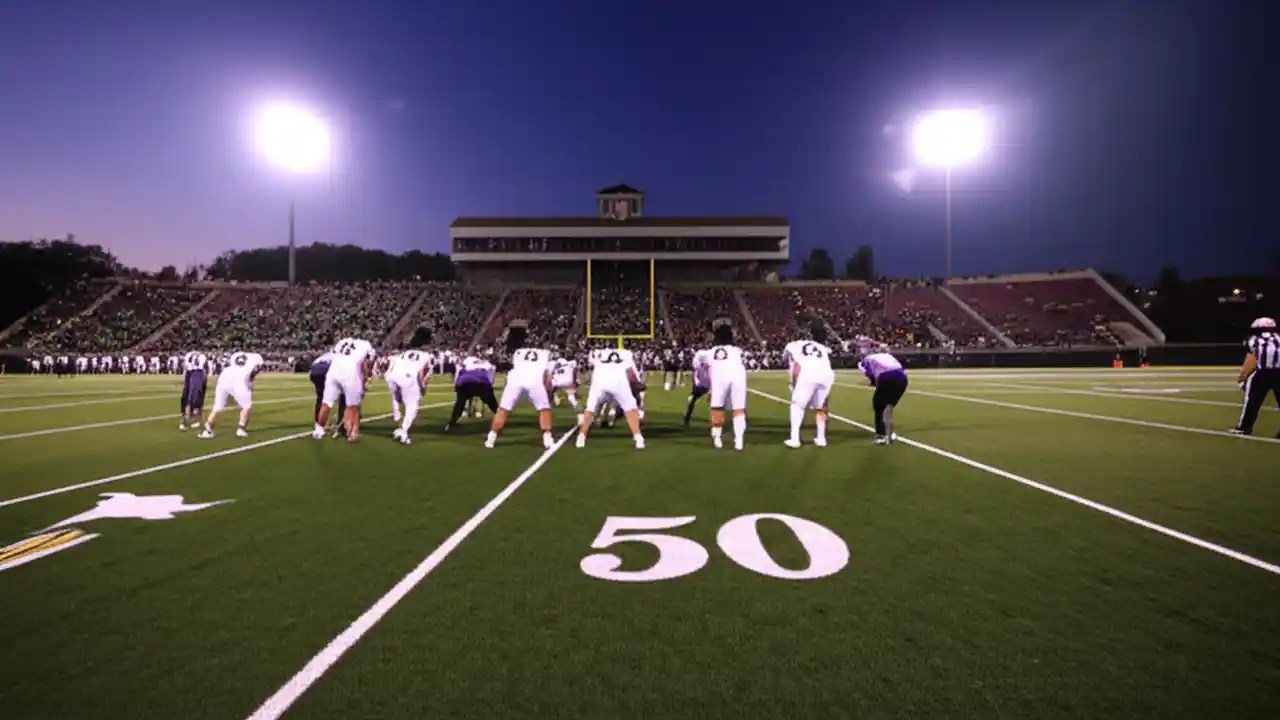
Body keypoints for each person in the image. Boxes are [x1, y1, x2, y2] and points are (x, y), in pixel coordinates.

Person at [485, 328, 555, 450]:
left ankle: (491, 437)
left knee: (503, 409)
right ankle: (547, 437)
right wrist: (549, 392)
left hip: (515, 379)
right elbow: (547, 376)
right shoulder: (545, 354)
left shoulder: (518, 352)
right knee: (544, 409)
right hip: (534, 380)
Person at [576, 347, 645, 450]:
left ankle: (581, 437)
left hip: (600, 379)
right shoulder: (626, 353)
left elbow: (588, 366)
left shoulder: (596, 351)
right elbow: (630, 373)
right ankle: (638, 437)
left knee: (591, 409)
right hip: (618, 380)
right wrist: (636, 384)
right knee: (630, 409)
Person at [782, 323, 834, 448]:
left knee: (797, 406)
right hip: (826, 375)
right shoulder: (823, 348)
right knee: (821, 407)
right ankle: (821, 438)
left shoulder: (796, 344)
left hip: (808, 373)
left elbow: (785, 355)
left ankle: (795, 439)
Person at [314, 337, 375, 442]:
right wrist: (366, 378)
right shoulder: (366, 344)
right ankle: (352, 433)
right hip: (351, 373)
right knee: (353, 407)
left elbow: (334, 355)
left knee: (326, 403)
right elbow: (366, 363)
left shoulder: (343, 341)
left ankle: (318, 431)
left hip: (334, 371)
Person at [198, 350, 263, 439]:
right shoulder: (257, 358)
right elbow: (252, 373)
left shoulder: (237, 354)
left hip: (225, 376)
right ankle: (241, 429)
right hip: (240, 380)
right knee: (247, 406)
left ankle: (207, 429)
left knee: (217, 406)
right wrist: (250, 384)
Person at [1232, 316, 1280, 437]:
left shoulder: (1254, 340)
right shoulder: (1278, 339)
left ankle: (1244, 428)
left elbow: (1251, 360)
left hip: (1262, 373)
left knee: (1252, 402)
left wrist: (1242, 376)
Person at [706, 323, 748, 451]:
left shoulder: (709, 352)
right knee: (738, 409)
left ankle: (717, 438)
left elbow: (705, 367)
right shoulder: (738, 351)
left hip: (719, 377)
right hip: (738, 377)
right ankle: (739, 441)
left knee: (717, 408)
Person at [858, 348, 908, 445]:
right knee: (888, 407)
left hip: (887, 378)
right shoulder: (888, 356)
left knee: (879, 406)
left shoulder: (867, 359)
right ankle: (890, 433)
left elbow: (870, 374)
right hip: (902, 379)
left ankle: (882, 435)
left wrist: (873, 382)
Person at [385, 344, 433, 445]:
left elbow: (392, 364)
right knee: (412, 406)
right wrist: (423, 388)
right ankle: (404, 432)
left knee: (397, 400)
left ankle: (398, 425)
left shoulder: (405, 353)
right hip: (408, 377)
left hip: (392, 376)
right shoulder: (426, 356)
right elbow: (422, 374)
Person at [445, 354, 498, 432]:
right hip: (481, 383)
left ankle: (451, 424)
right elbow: (491, 375)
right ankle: (500, 418)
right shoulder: (486, 363)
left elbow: (459, 369)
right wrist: (490, 386)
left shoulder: (467, 360)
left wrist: (456, 383)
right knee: (492, 403)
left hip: (465, 382)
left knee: (460, 403)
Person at [309, 350, 345, 436]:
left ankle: (318, 424)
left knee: (321, 397)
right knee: (344, 397)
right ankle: (341, 425)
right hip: (328, 369)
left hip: (315, 370)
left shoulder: (327, 354)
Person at [178, 350, 208, 432]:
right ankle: (194, 420)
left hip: (189, 373)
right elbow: (205, 367)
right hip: (198, 373)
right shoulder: (202, 355)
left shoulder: (188, 354)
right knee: (196, 399)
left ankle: (184, 421)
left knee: (187, 398)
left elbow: (184, 365)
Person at [683, 348, 712, 426]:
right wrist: (697, 383)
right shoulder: (699, 367)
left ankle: (714, 418)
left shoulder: (709, 367)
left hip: (706, 386)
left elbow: (711, 376)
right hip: (701, 386)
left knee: (711, 401)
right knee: (692, 400)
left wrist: (710, 388)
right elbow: (696, 375)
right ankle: (687, 416)